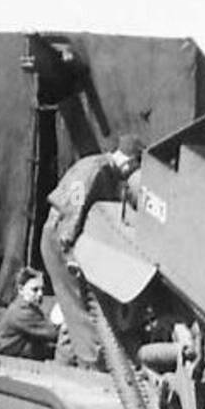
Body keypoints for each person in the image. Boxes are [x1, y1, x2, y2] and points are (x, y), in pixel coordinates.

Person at [39, 133, 145, 367]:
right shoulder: (95, 169)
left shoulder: (110, 173)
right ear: (130, 162)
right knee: (83, 309)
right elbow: (74, 207)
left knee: (73, 310)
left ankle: (65, 364)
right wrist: (68, 251)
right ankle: (91, 367)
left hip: (72, 240)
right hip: (60, 237)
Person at [0, 267, 59, 359]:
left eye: (42, 289)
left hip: (23, 352)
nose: (40, 294)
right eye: (35, 290)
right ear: (21, 290)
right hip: (16, 358)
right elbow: (53, 333)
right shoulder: (22, 311)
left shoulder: (27, 306)